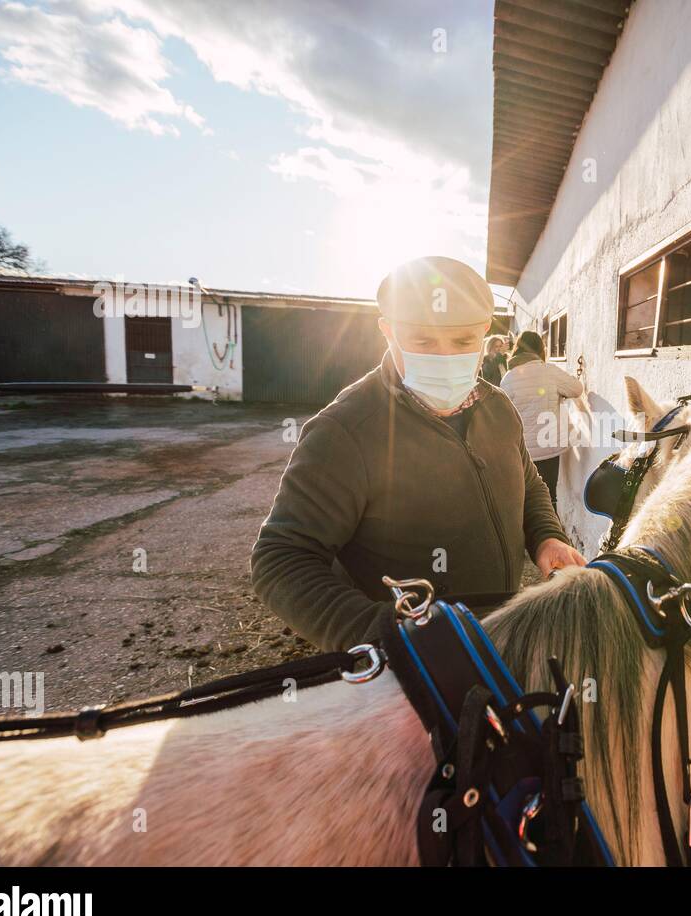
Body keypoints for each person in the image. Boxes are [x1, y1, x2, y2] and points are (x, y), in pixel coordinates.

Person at [251, 257, 587, 653]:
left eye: (463, 342)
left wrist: (547, 537)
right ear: (388, 332)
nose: (445, 357)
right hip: (409, 667)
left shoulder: (498, 407)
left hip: (497, 639)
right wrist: (385, 634)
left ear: (484, 333)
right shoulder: (345, 431)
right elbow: (282, 558)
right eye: (423, 342)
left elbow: (529, 484)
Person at [500, 330, 585, 509]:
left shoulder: (508, 378)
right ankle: (550, 533)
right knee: (548, 497)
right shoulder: (549, 371)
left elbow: (504, 416)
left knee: (525, 497)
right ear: (540, 349)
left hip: (522, 451)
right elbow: (576, 389)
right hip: (548, 448)